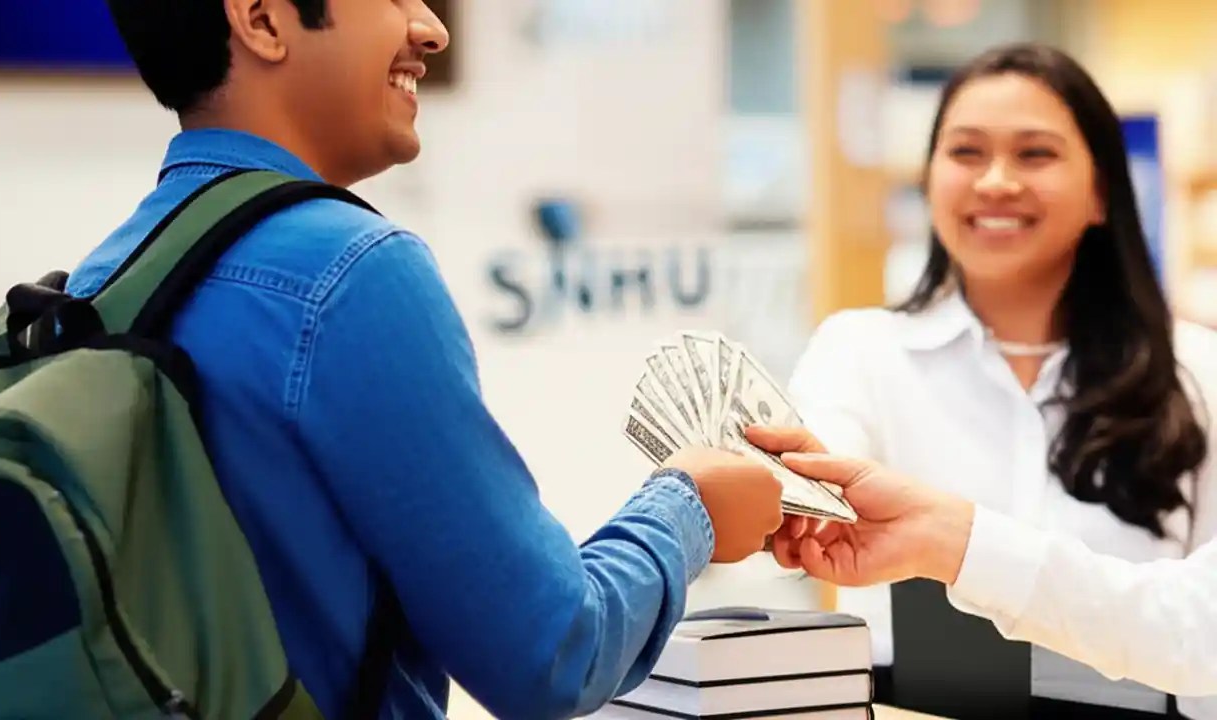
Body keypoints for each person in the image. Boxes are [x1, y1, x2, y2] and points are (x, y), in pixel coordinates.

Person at [80, 1, 787, 718]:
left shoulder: (91, 287)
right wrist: (689, 505)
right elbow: (552, 654)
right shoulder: (350, 273)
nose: (430, 28)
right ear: (262, 19)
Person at [781, 42, 1217, 713]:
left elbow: (1203, 628)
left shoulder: (1198, 371)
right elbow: (815, 490)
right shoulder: (859, 351)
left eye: (1035, 153)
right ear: (928, 181)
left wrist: (954, 539)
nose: (995, 182)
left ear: (1102, 191)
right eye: (966, 152)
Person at [745, 423, 1217, 699]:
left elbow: (1193, 626)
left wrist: (941, 534)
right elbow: (1188, 620)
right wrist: (938, 533)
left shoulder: (1193, 364)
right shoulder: (861, 340)